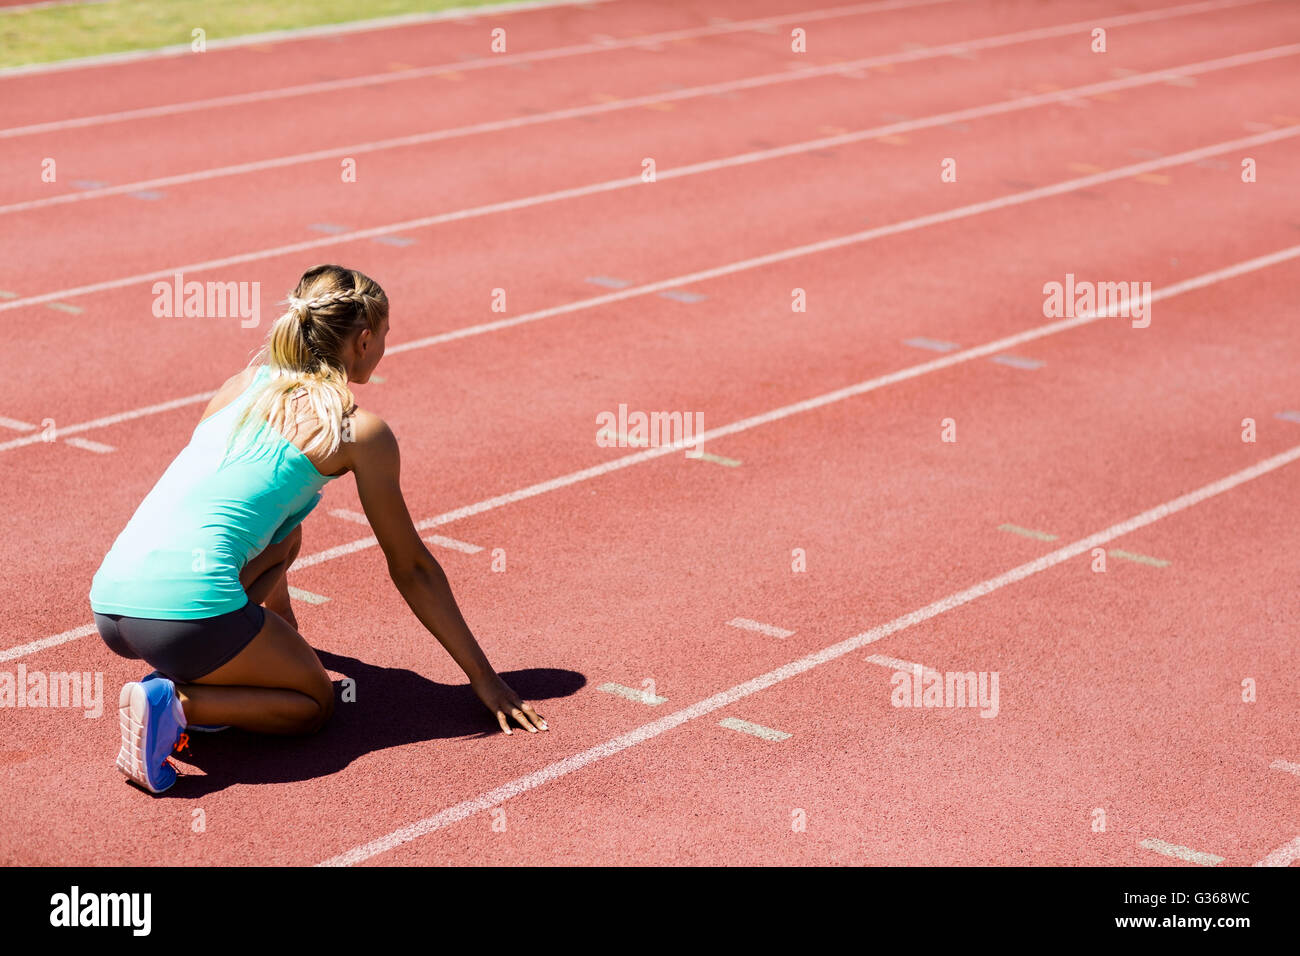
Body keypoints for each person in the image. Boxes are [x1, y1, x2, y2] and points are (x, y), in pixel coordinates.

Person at [90, 264, 545, 794]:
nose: (384, 349)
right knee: (314, 705)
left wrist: (280, 641)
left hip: (112, 601)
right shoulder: (356, 430)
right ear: (365, 338)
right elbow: (413, 567)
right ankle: (177, 703)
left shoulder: (240, 386)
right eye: (387, 337)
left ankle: (231, 672)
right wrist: (484, 678)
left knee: (285, 535)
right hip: (184, 616)